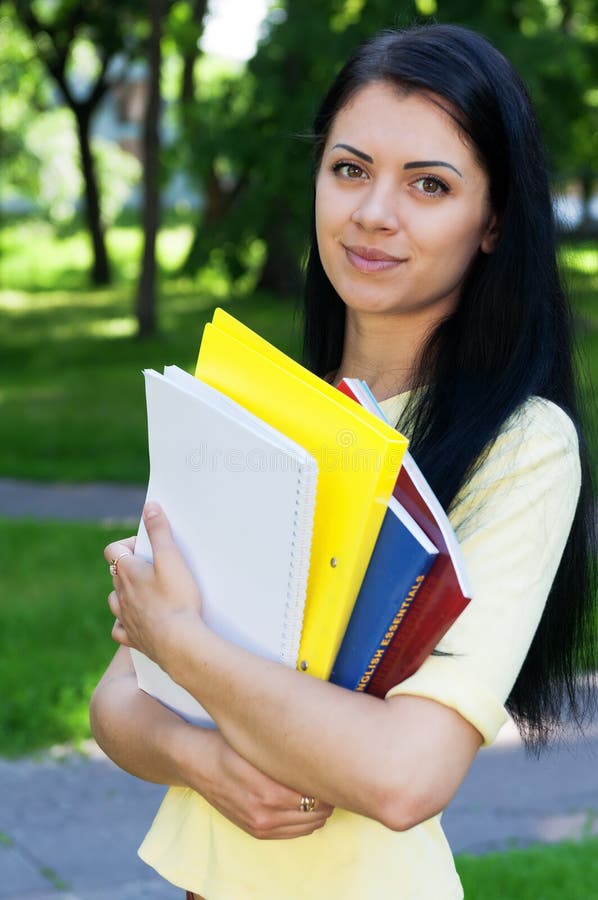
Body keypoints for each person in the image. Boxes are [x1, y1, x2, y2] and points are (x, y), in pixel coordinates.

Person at [90, 23, 596, 900]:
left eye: (429, 185)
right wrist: (205, 757)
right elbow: (119, 702)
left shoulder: (523, 446)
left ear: (493, 224)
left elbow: (405, 776)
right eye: (350, 169)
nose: (372, 212)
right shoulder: (254, 413)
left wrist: (179, 639)